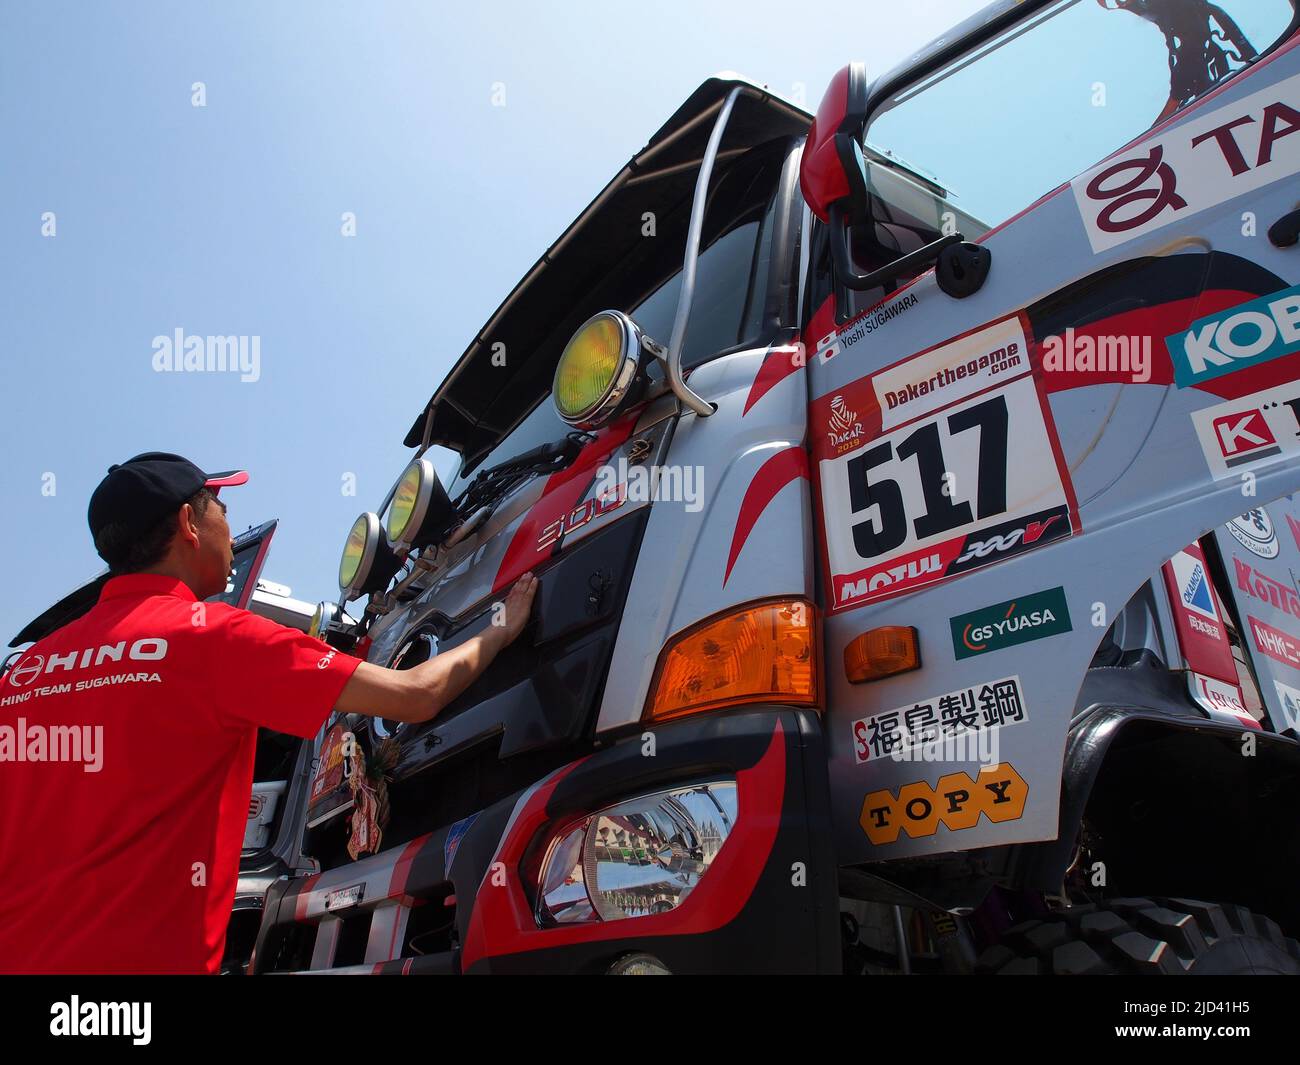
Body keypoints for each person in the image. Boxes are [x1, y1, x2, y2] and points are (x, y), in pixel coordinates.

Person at [0, 452, 536, 974]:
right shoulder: (212, 637)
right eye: (223, 511)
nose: (230, 533)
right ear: (189, 521)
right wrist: (499, 630)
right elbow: (415, 693)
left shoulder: (24, 673)